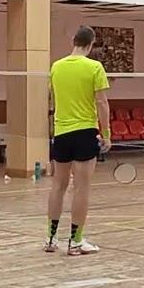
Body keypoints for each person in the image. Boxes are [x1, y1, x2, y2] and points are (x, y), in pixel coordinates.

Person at [46, 26, 112, 255]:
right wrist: (106, 134)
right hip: (84, 132)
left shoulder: (56, 66)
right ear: (91, 44)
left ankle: (51, 239)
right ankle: (75, 241)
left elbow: (54, 100)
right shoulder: (94, 67)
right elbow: (102, 103)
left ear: (73, 40)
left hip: (61, 133)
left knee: (58, 186)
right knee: (81, 187)